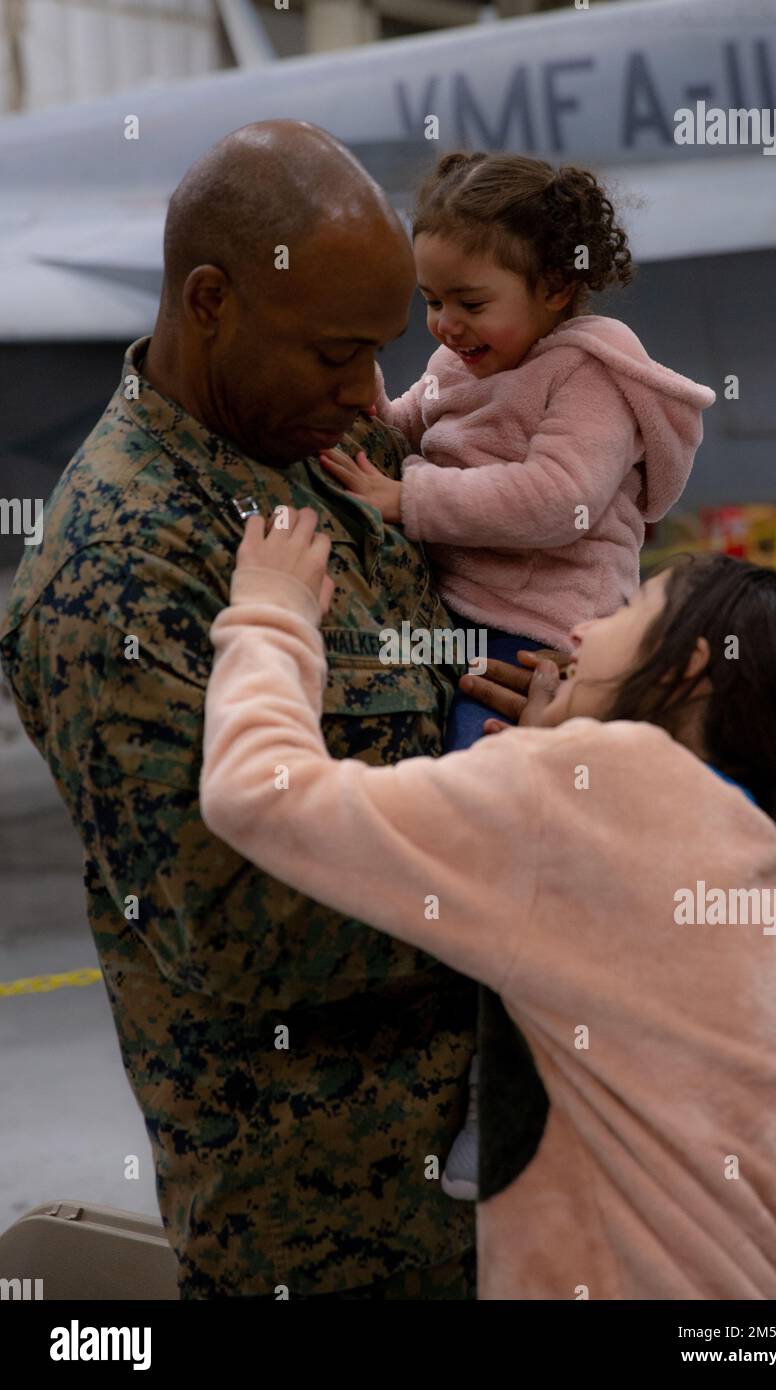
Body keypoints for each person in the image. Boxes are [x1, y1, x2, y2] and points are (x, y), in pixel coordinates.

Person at [0, 122, 480, 1299]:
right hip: (326, 1236)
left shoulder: (321, 443)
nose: (368, 393)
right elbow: (235, 928)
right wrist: (534, 864)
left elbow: (419, 671)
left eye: (377, 352)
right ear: (211, 300)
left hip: (486, 1184)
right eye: (333, 353)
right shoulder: (121, 562)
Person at [200, 506, 776, 1300]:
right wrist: (552, 759)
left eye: (628, 609)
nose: (580, 633)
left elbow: (257, 795)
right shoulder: (750, 845)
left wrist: (273, 609)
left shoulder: (597, 788)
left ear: (686, 669)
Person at [321, 150, 716, 1194]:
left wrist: (409, 505)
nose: (443, 325)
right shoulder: (470, 361)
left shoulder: (586, 373)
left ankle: (509, 1104)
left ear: (556, 288)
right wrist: (357, 415)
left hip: (540, 654)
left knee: (498, 877)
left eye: (469, 301)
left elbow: (557, 500)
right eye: (429, 301)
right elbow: (410, 422)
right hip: (460, 639)